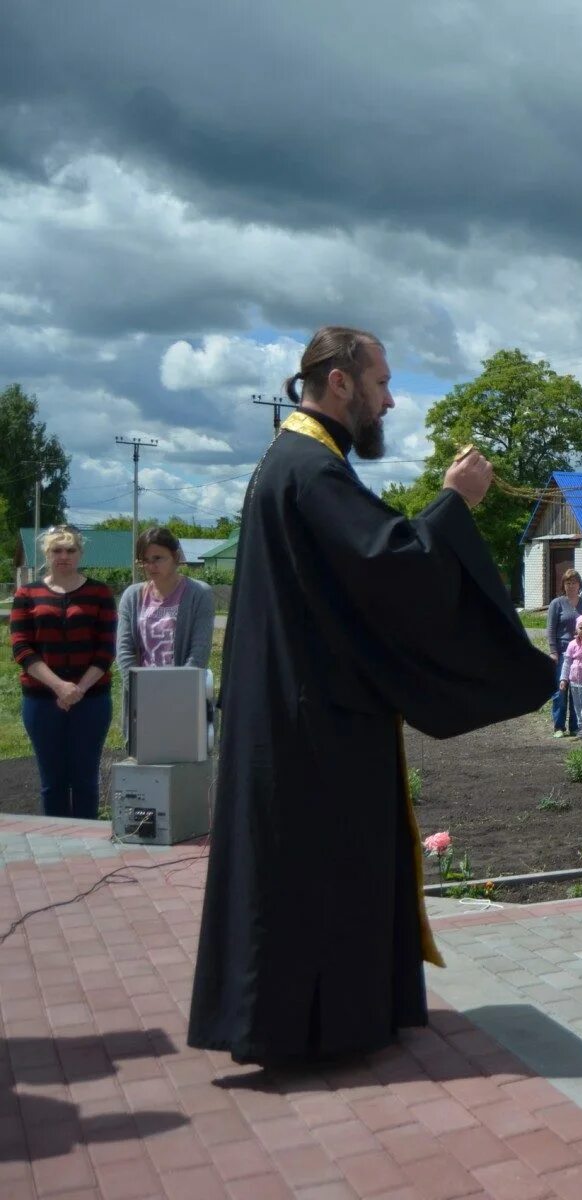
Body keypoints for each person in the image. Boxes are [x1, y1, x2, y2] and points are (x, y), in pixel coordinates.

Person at [189, 326, 553, 1066]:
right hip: (311, 724)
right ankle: (314, 1030)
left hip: (302, 712)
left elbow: (362, 573)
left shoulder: (297, 462)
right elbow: (393, 569)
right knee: (320, 875)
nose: (389, 400)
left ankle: (322, 1020)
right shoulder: (310, 470)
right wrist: (454, 503)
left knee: (315, 875)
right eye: (382, 383)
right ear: (341, 383)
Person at [11, 525, 117, 819]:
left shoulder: (99, 592)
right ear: (46, 553)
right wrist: (59, 687)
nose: (64, 556)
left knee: (85, 779)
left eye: (70, 550)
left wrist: (78, 689)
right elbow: (22, 648)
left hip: (92, 699)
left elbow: (106, 649)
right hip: (41, 701)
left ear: (80, 554)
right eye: (57, 550)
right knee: (52, 781)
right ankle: (55, 843)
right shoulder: (27, 593)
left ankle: (89, 847)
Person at [116, 526, 217, 674]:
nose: (151, 566)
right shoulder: (132, 596)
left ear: (175, 557)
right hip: (141, 690)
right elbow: (124, 651)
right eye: (145, 560)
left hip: (184, 690)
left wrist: (177, 687)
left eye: (157, 558)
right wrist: (136, 686)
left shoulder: (199, 593)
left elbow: (199, 652)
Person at [546, 568, 582, 737]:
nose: (571, 585)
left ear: (579, 585)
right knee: (561, 689)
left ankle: (576, 725)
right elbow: (551, 629)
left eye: (574, 582)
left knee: (578, 689)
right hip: (562, 650)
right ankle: (559, 726)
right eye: (568, 583)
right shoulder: (556, 603)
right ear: (563, 585)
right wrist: (553, 651)